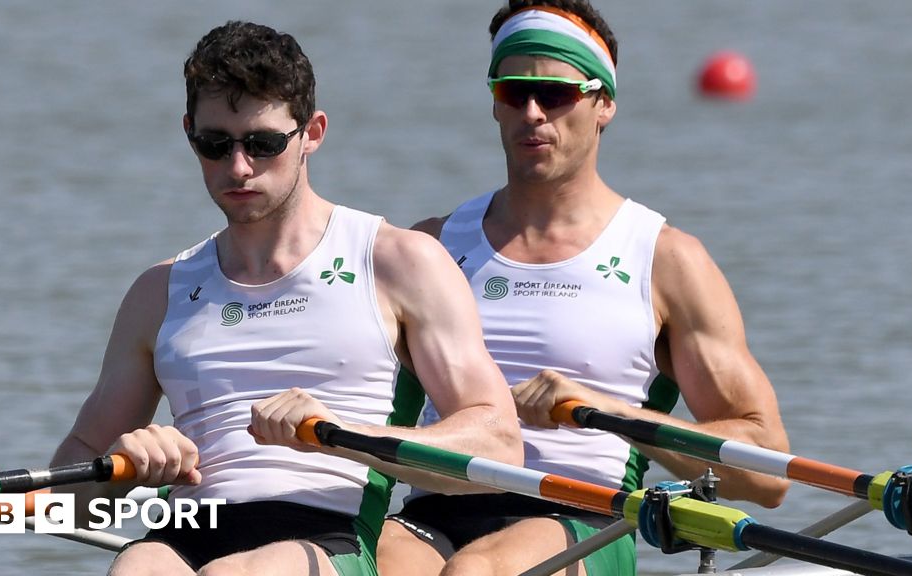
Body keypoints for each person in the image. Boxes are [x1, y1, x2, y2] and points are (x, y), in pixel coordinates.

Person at [49, 20, 522, 576]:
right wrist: (122, 468)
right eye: (215, 144)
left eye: (264, 143)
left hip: (327, 534)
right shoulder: (159, 291)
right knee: (138, 568)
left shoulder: (398, 262)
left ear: (313, 133)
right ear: (188, 133)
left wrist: (341, 435)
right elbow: (62, 505)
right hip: (183, 532)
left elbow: (498, 444)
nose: (239, 167)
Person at [377, 1, 791, 575]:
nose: (531, 113)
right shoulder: (430, 248)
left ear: (604, 105)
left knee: (475, 572)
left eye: (555, 95)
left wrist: (606, 410)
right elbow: (367, 407)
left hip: (584, 514)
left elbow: (767, 471)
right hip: (434, 508)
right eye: (512, 92)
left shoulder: (666, 261)